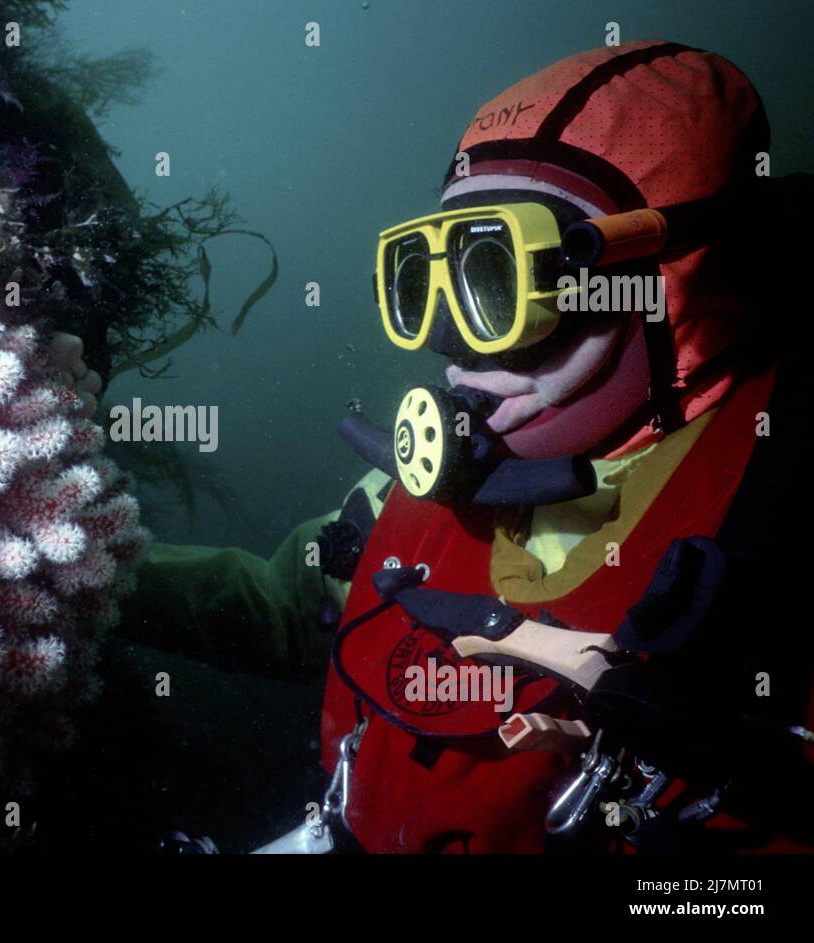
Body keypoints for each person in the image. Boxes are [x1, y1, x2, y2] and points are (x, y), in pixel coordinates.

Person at [114, 40, 814, 853]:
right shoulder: (413, 490)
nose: (455, 348)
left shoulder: (781, 518)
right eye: (428, 282)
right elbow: (285, 605)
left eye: (510, 281)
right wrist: (88, 573)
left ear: (677, 282)